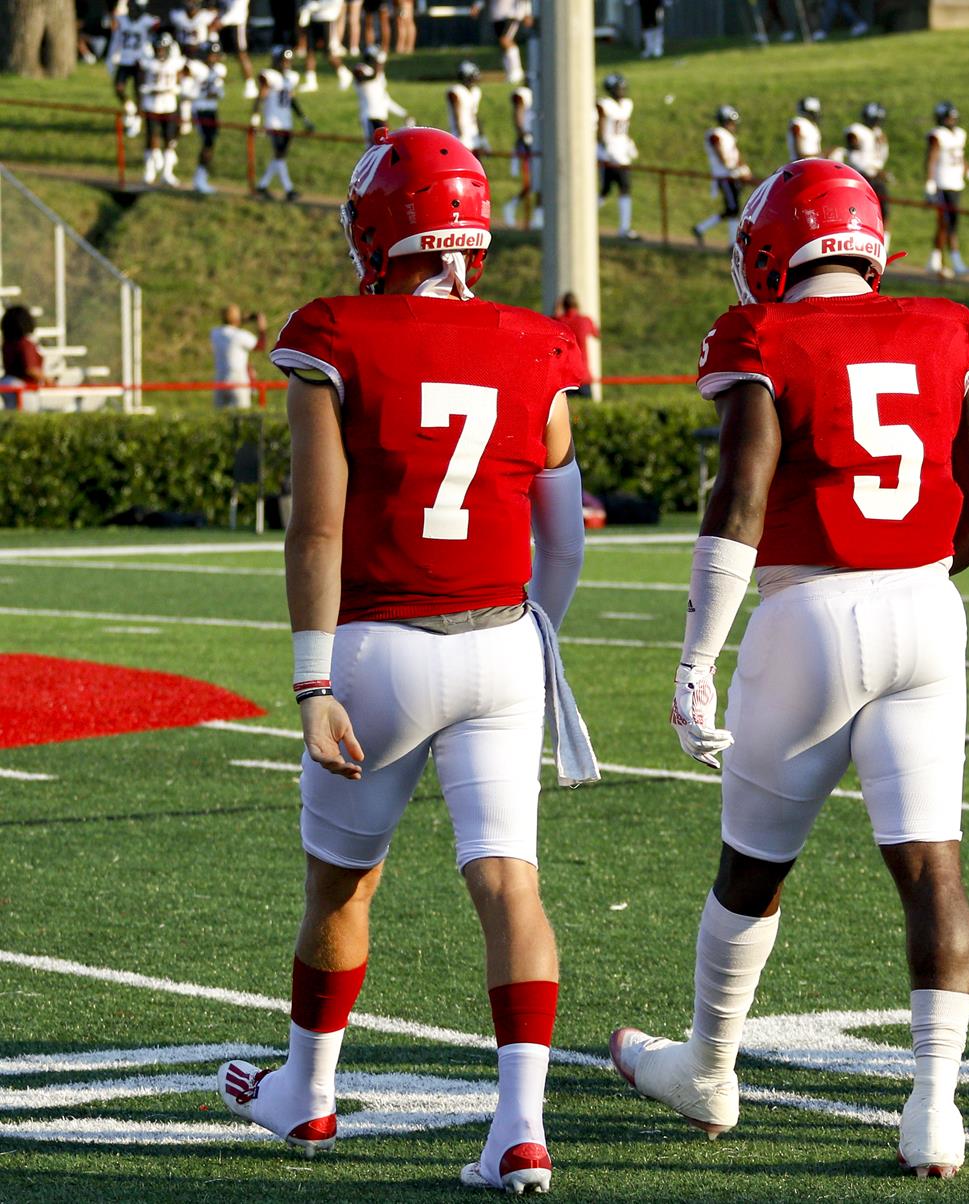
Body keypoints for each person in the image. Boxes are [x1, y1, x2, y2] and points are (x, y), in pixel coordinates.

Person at [607, 158, 969, 1180]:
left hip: (804, 613)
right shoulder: (943, 327)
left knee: (753, 866)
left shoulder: (763, 333)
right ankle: (932, 1110)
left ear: (774, 245)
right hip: (927, 609)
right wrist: (915, 570)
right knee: (931, 867)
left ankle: (708, 1066)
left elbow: (738, 499)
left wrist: (697, 654)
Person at [215, 125, 596, 1194]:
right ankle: (520, 1128)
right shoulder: (537, 341)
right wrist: (532, 634)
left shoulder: (335, 332)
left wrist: (309, 679)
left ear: (381, 228)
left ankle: (306, 1090)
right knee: (508, 883)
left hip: (379, 645)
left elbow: (316, 532)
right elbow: (562, 535)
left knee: (341, 888)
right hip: (501, 644)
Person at [923, 102, 969, 279]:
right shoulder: (937, 135)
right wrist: (930, 183)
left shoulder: (959, 134)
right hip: (942, 183)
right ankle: (949, 262)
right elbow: (932, 160)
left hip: (956, 184)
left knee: (951, 224)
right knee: (945, 223)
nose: (951, 120)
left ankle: (936, 260)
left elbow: (960, 157)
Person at [254, 47, 314, 202]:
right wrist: (255, 118)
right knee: (280, 155)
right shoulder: (270, 75)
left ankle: (262, 185)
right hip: (273, 121)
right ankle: (289, 189)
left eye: (288, 60)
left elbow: (292, 100)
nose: (286, 63)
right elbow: (261, 95)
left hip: (286, 121)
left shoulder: (290, 78)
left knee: (280, 155)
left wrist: (304, 119)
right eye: (283, 60)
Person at [693, 105, 752, 246]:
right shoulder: (717, 134)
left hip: (730, 175)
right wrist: (737, 169)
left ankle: (700, 228)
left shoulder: (727, 136)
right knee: (733, 209)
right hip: (725, 176)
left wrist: (742, 168)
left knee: (732, 209)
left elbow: (735, 156)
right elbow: (723, 158)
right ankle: (732, 243)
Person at [138, 30, 185, 188]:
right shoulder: (148, 62)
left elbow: (180, 83)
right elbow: (142, 84)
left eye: (162, 48)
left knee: (169, 139)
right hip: (152, 105)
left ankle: (167, 172)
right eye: (158, 48)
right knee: (151, 138)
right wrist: (150, 90)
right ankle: (150, 171)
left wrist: (172, 89)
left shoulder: (174, 63)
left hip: (169, 105)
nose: (160, 52)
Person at [596, 75, 638, 240]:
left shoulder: (627, 104)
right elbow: (600, 127)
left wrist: (628, 144)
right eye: (618, 88)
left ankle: (624, 227)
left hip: (621, 151)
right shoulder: (605, 104)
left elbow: (623, 129)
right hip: (608, 152)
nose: (621, 90)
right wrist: (602, 145)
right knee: (612, 189)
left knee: (617, 189)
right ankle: (624, 228)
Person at [110, 0, 158, 137]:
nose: (131, 10)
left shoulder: (147, 21)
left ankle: (137, 120)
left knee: (139, 93)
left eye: (134, 8)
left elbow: (159, 27)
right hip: (125, 59)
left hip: (140, 62)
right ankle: (129, 106)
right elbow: (114, 25)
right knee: (118, 88)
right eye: (130, 7)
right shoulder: (122, 19)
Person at [841, 102, 890, 228]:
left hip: (877, 176)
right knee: (860, 211)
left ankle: (884, 244)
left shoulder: (879, 133)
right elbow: (852, 143)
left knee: (883, 213)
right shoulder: (857, 130)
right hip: (862, 175)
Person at [186, 39, 225, 195]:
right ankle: (200, 178)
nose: (213, 58)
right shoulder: (195, 67)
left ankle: (201, 176)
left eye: (216, 55)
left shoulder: (218, 70)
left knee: (211, 142)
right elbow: (185, 90)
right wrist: (202, 94)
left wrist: (215, 94)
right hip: (199, 109)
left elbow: (220, 91)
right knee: (207, 142)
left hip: (212, 109)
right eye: (211, 55)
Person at [210, 305, 266, 408]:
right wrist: (262, 329)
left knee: (220, 416)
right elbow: (260, 346)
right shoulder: (240, 335)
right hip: (238, 380)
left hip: (220, 380)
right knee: (242, 414)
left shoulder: (215, 333)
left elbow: (231, 327)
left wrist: (240, 320)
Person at [352, 45, 407, 140]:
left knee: (386, 145)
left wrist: (403, 113)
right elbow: (365, 78)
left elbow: (385, 99)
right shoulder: (360, 69)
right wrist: (378, 68)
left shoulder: (379, 75)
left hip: (382, 116)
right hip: (370, 116)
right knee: (372, 146)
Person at [504, 74, 537, 229]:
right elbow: (518, 116)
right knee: (531, 181)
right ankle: (511, 206)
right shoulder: (524, 93)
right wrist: (523, 135)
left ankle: (538, 216)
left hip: (537, 141)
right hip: (527, 143)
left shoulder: (539, 93)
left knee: (540, 181)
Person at [1, 306, 47, 410]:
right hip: (21, 386)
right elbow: (30, 369)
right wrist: (47, 379)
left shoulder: (7, 344)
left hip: (6, 383)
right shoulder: (25, 344)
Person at [552, 292, 598, 397]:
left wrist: (556, 308)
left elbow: (549, 321)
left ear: (563, 305)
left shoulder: (559, 321)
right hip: (583, 375)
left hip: (566, 377)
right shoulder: (585, 320)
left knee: (569, 411)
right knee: (589, 411)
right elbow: (597, 334)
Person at [297, 0, 347, 93]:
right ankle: (311, 82)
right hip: (313, 20)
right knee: (310, 52)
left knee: (328, 54)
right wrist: (307, 9)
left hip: (327, 19)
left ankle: (344, 74)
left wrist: (316, 6)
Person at [485, 0, 533, 84]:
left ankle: (517, 71)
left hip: (511, 15)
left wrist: (527, 13)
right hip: (497, 15)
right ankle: (509, 73)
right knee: (503, 44)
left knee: (505, 40)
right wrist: (477, 5)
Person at [447, 60, 488, 157]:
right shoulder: (456, 91)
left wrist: (482, 137)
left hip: (474, 137)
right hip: (460, 136)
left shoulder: (475, 92)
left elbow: (475, 114)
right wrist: (461, 135)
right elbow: (457, 115)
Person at [213, 0, 253, 97]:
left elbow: (236, 12)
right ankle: (216, 84)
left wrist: (220, 21)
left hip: (237, 24)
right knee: (214, 54)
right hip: (223, 24)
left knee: (241, 54)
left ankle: (250, 85)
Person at [786, 96, 822, 160]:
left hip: (813, 162)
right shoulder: (799, 123)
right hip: (803, 164)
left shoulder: (812, 125)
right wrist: (822, 154)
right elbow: (799, 154)